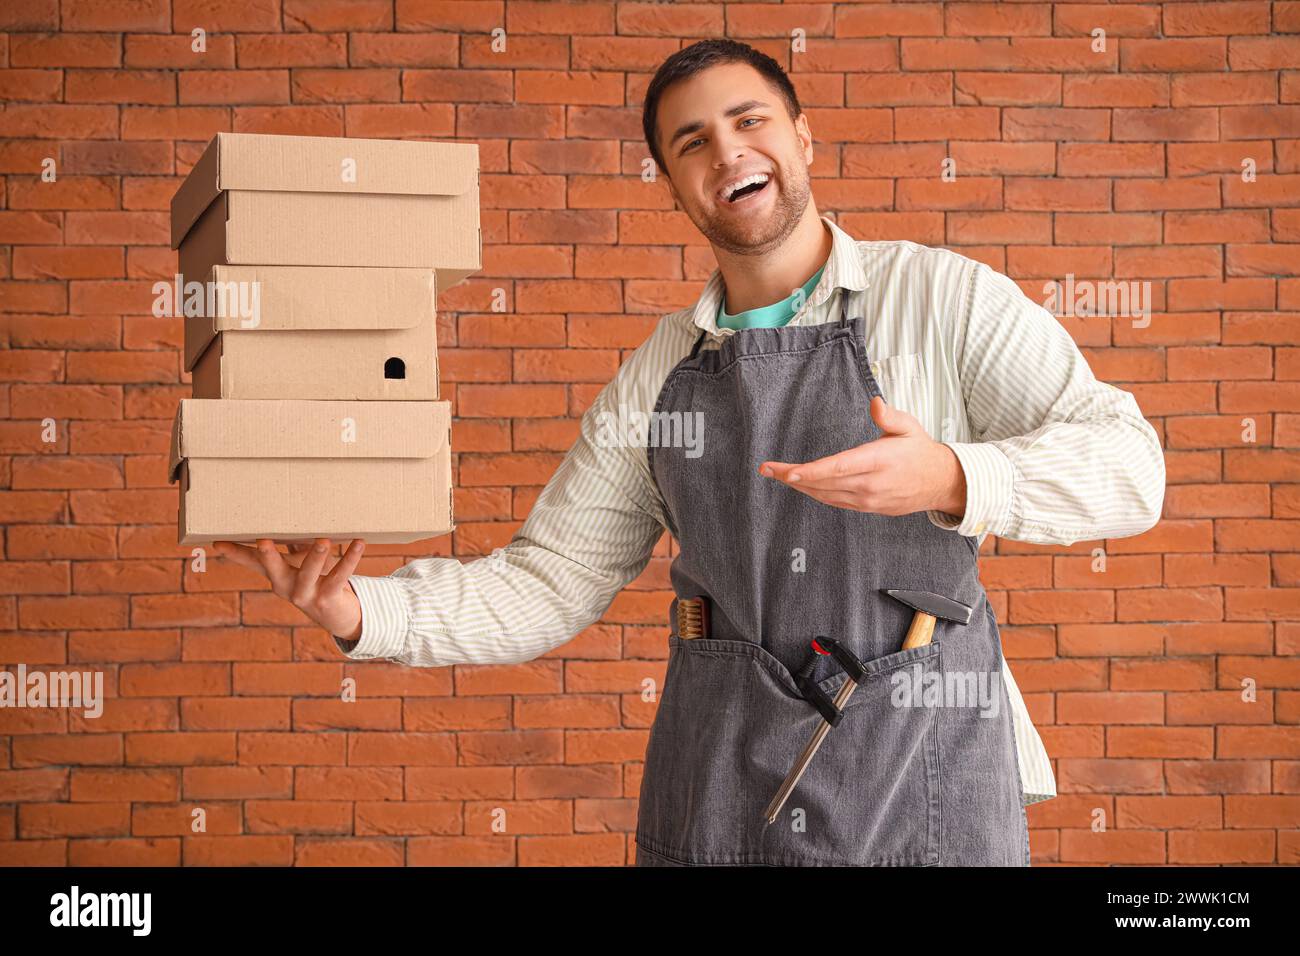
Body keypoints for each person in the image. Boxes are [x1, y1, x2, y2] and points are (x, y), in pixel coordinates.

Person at [216, 39, 1166, 866]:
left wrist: (956, 475)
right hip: (721, 790)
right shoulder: (658, 379)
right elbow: (549, 580)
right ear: (672, 187)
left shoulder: (947, 301)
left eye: (749, 120)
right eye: (691, 142)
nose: (728, 152)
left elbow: (1131, 467)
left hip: (923, 781)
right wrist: (355, 608)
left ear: (802, 138)